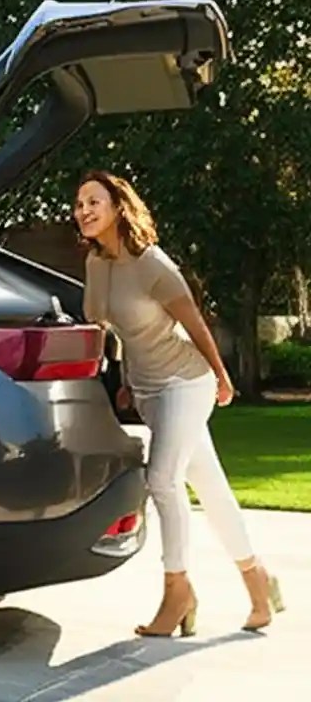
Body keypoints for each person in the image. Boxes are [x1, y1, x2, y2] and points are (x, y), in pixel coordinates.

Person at [74, 170, 284, 637]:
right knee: (211, 489)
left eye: (94, 201)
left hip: (185, 382)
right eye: (80, 203)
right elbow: (107, 329)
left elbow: (193, 321)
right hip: (148, 390)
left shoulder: (152, 264)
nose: (84, 210)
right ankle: (260, 585)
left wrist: (222, 376)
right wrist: (125, 379)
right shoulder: (96, 264)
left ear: (118, 208)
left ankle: (178, 591)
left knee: (162, 480)